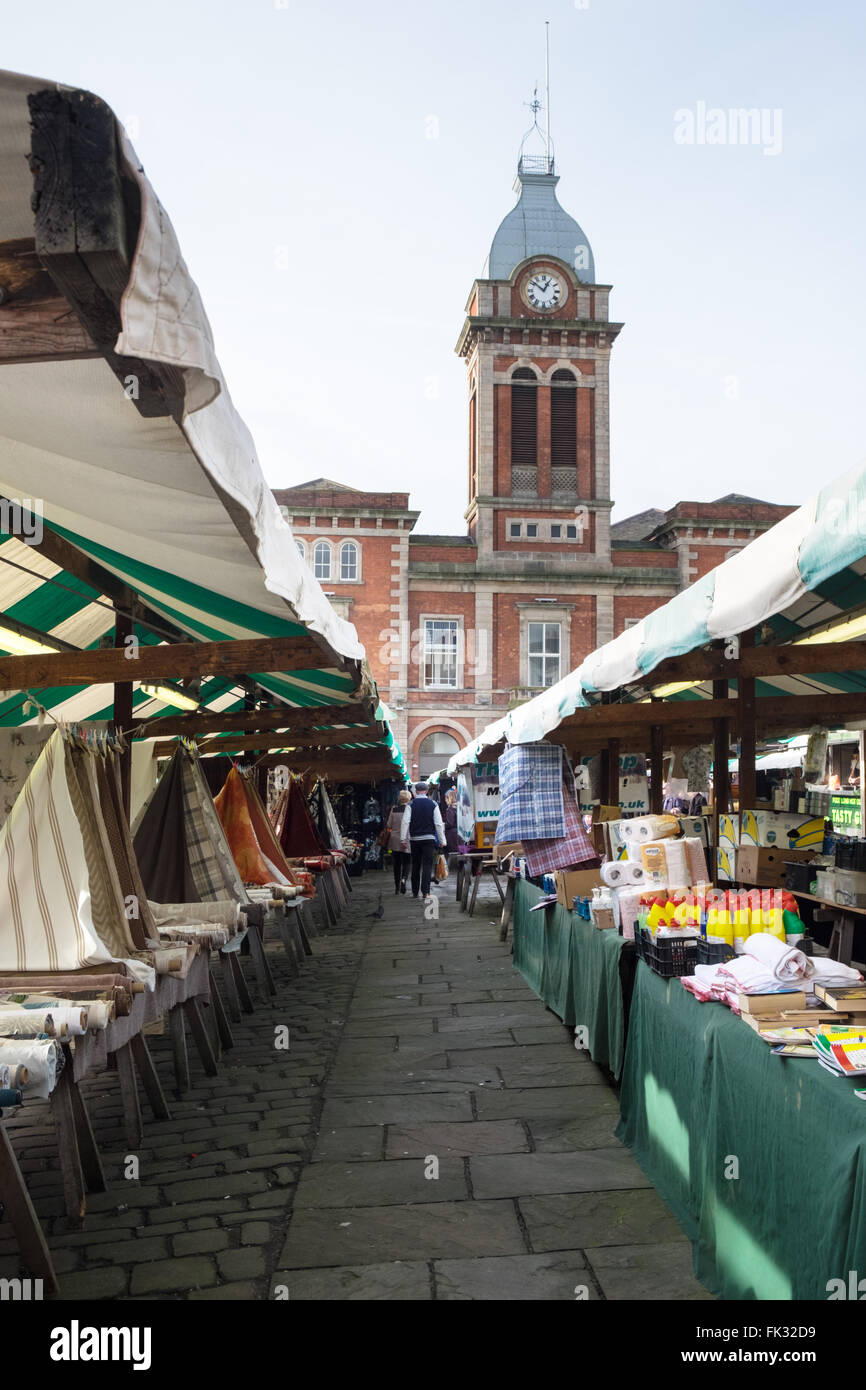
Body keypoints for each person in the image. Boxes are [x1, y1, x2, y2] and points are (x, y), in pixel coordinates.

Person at [400, 781, 447, 899]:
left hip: (415, 839)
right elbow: (438, 824)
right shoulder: (433, 804)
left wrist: (403, 839)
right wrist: (442, 840)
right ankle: (426, 892)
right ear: (426, 791)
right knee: (427, 865)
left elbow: (405, 822)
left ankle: (415, 891)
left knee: (415, 864)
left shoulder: (410, 804)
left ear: (416, 792)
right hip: (429, 839)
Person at [386, 789, 412, 894]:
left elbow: (389, 825)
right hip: (407, 839)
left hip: (395, 839)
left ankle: (397, 887)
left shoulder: (394, 809)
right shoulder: (410, 809)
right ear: (408, 798)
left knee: (396, 864)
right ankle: (404, 879)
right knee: (407, 862)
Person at [443, 787, 460, 854]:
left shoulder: (450, 809)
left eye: (446, 798)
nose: (445, 800)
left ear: (449, 798)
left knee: (453, 853)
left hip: (452, 835)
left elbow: (450, 823)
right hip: (459, 833)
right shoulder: (459, 808)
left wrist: (443, 825)